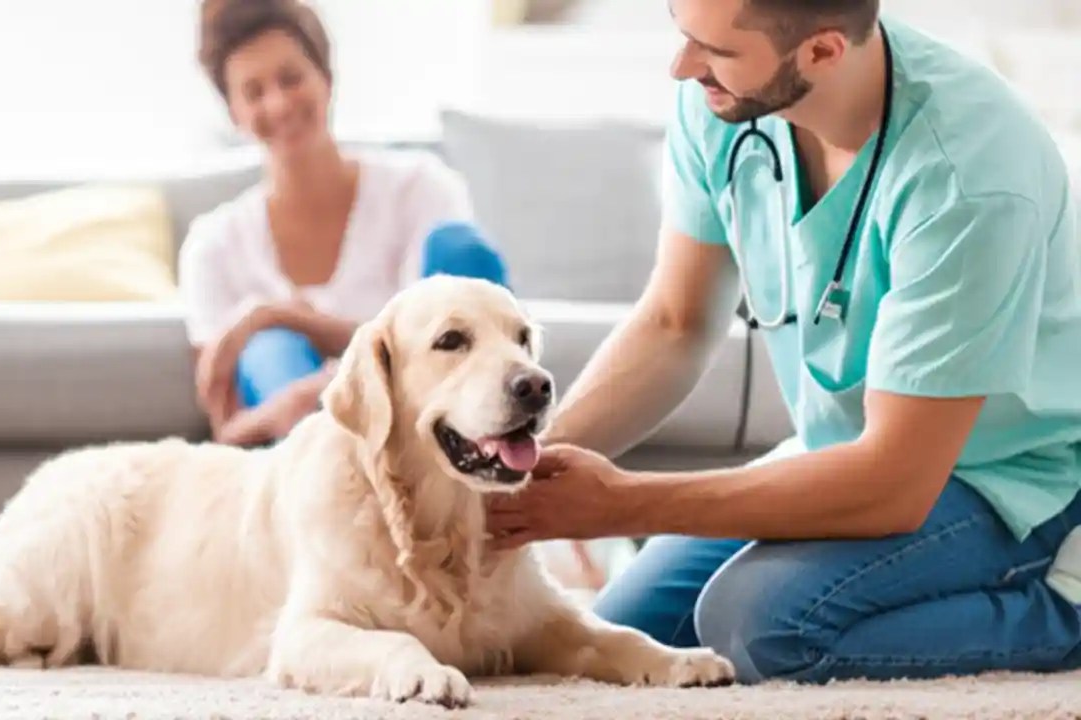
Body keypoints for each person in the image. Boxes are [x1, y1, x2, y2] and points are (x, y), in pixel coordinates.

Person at [486, 0, 1081, 684]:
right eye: (683, 34)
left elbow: (894, 482)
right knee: (626, 633)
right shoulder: (722, 102)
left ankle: (1061, 614)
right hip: (842, 452)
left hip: (1002, 477)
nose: (682, 67)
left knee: (760, 624)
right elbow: (675, 325)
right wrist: (527, 474)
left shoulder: (969, 173)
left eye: (717, 51)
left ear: (823, 52)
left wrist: (622, 503)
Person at [180, 0, 508, 446]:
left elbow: (434, 345)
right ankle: (341, 493)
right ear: (234, 114)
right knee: (269, 348)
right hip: (319, 462)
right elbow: (229, 428)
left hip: (439, 430)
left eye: (291, 78)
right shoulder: (213, 246)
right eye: (254, 92)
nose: (277, 103)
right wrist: (288, 384)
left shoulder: (420, 187)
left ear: (326, 78)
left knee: (459, 249)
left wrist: (277, 317)